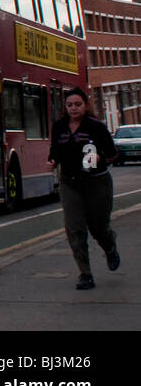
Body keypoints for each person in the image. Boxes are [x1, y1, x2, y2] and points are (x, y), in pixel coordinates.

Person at [48, 86, 121, 289]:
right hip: (69, 182)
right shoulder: (59, 127)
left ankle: (110, 246)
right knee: (75, 229)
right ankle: (85, 274)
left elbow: (114, 154)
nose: (73, 108)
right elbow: (55, 151)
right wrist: (52, 161)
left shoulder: (96, 127)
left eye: (77, 104)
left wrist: (100, 158)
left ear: (86, 105)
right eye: (69, 105)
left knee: (98, 227)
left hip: (97, 182)